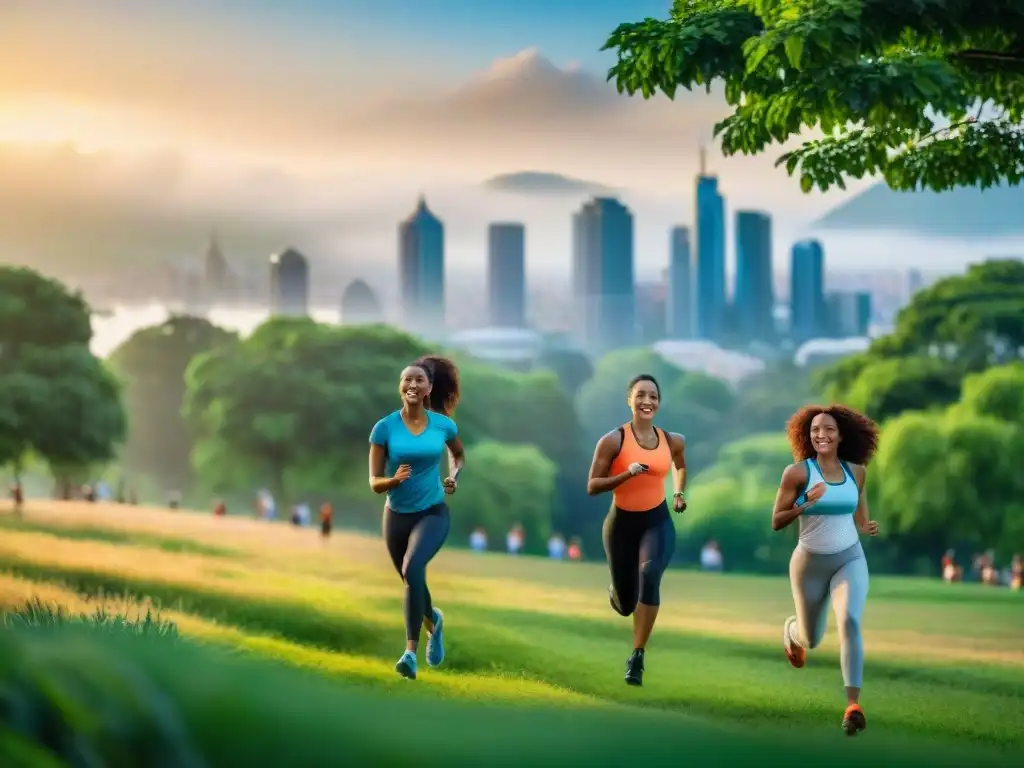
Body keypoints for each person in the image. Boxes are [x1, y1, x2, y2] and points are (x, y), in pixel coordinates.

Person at [772, 404, 880, 737]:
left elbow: (859, 508)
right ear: (808, 436)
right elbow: (777, 521)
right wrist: (805, 502)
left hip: (849, 558)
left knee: (849, 619)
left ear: (841, 435)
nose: (822, 435)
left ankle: (852, 706)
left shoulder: (857, 472)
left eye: (829, 429)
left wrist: (865, 525)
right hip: (809, 564)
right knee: (812, 638)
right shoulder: (798, 474)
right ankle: (792, 633)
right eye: (816, 430)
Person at [368, 355, 465, 681]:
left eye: (419, 380)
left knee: (413, 568)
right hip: (396, 515)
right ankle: (433, 623)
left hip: (433, 512)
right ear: (401, 386)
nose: (412, 384)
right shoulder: (384, 428)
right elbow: (374, 482)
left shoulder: (442, 425)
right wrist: (393, 481)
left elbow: (458, 454)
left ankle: (409, 653)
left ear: (429, 389)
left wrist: (453, 475)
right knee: (412, 581)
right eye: (407, 379)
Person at [587, 373, 687, 687]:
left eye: (653, 396)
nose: (647, 401)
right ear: (630, 400)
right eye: (641, 395)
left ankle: (637, 655)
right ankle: (617, 594)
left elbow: (680, 464)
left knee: (650, 574)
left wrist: (678, 493)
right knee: (626, 603)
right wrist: (625, 475)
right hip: (621, 526)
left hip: (657, 521)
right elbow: (593, 486)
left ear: (658, 403)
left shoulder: (672, 440)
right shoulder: (613, 440)